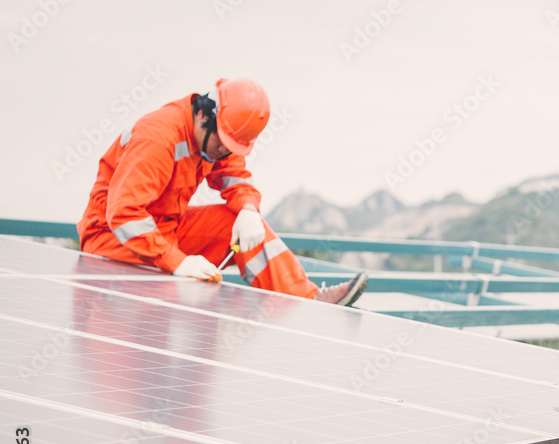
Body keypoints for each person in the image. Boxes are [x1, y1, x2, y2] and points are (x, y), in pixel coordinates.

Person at [77, 77, 367, 306]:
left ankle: (307, 299)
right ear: (205, 116)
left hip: (166, 233)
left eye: (233, 147)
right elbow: (124, 216)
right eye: (225, 143)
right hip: (113, 240)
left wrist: (248, 209)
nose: (225, 152)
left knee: (235, 223)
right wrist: (176, 261)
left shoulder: (216, 137)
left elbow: (234, 176)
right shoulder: (157, 138)